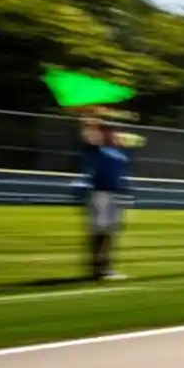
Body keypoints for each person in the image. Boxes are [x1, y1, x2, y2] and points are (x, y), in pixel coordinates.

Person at [79, 108, 134, 280]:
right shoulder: (97, 148)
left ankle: (106, 268)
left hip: (114, 195)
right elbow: (88, 135)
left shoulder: (118, 150)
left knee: (110, 233)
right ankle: (97, 268)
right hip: (100, 194)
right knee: (99, 233)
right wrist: (92, 117)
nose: (114, 133)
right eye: (110, 130)